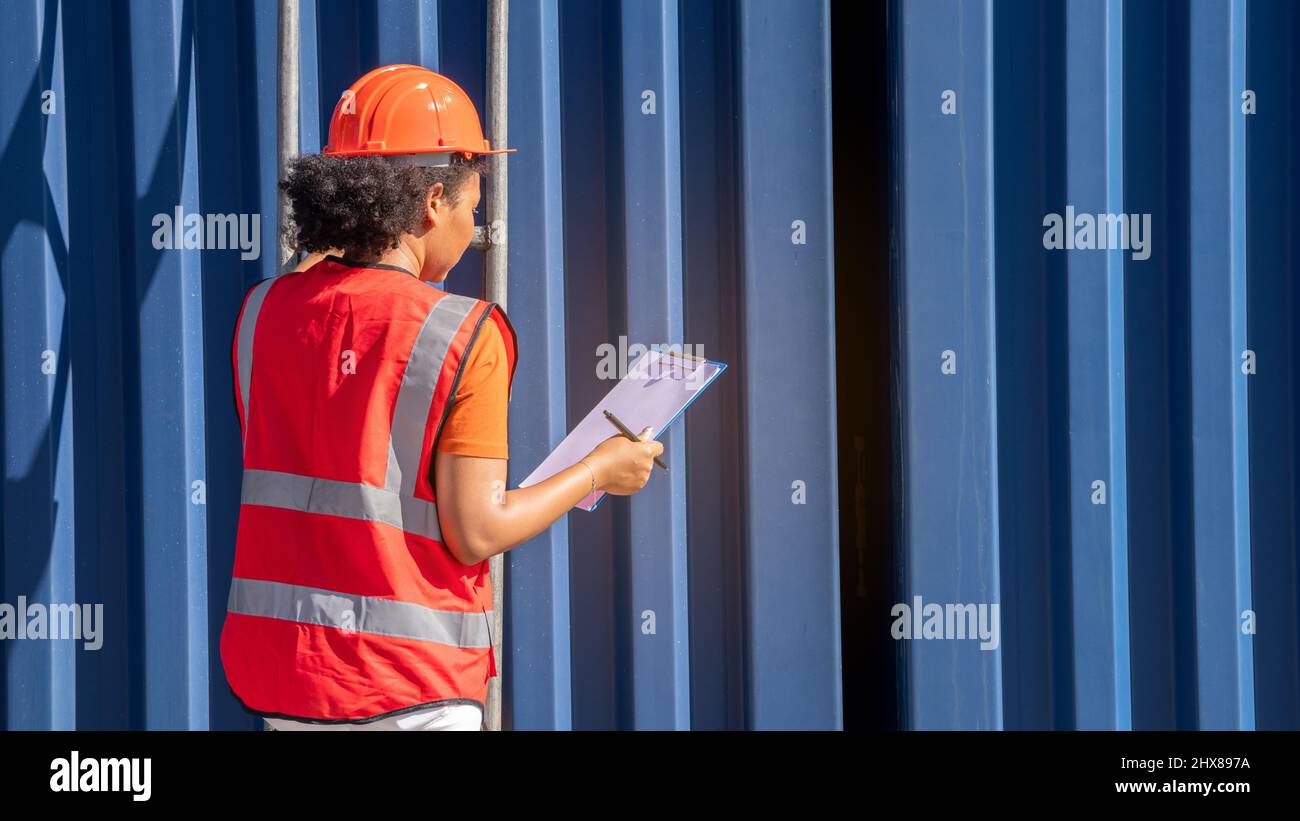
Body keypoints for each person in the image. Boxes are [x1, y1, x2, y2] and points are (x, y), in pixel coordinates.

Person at [219, 65, 662, 732]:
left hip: (288, 685)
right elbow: (476, 529)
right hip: (410, 691)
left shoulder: (261, 316)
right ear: (432, 202)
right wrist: (600, 468)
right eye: (471, 207)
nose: (474, 226)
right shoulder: (464, 331)